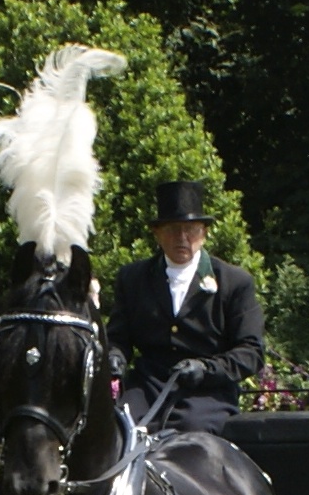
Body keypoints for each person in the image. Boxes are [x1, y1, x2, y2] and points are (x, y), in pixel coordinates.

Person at [106, 180, 264, 434]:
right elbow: (118, 337)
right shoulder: (133, 278)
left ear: (204, 232)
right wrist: (114, 357)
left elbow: (251, 352)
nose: (182, 238)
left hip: (207, 392)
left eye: (190, 230)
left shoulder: (235, 282)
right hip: (148, 387)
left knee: (192, 438)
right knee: (118, 430)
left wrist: (206, 369)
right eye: (172, 230)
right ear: (157, 233)